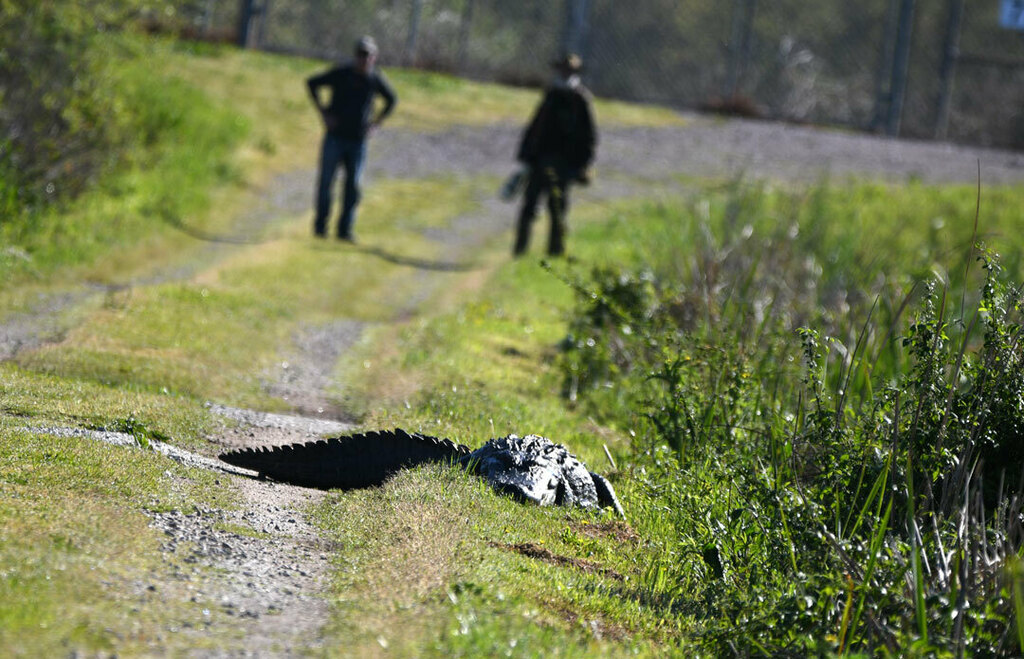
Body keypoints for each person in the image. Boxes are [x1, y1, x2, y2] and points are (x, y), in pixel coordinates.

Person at [307, 36, 397, 241]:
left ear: (374, 58)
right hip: (335, 138)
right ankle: (320, 227)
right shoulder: (341, 73)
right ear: (355, 55)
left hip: (358, 141)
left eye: (368, 56)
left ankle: (345, 230)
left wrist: (376, 124)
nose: (363, 60)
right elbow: (312, 83)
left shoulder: (374, 79)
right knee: (326, 183)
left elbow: (392, 100)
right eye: (360, 55)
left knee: (353, 186)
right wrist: (323, 112)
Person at [513, 53, 597, 257]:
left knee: (558, 208)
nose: (564, 74)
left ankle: (555, 252)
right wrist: (526, 154)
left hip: (565, 164)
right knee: (529, 206)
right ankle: (519, 251)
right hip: (540, 160)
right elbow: (536, 126)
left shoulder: (580, 99)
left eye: (568, 70)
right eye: (562, 70)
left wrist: (581, 164)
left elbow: (588, 137)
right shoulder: (551, 95)